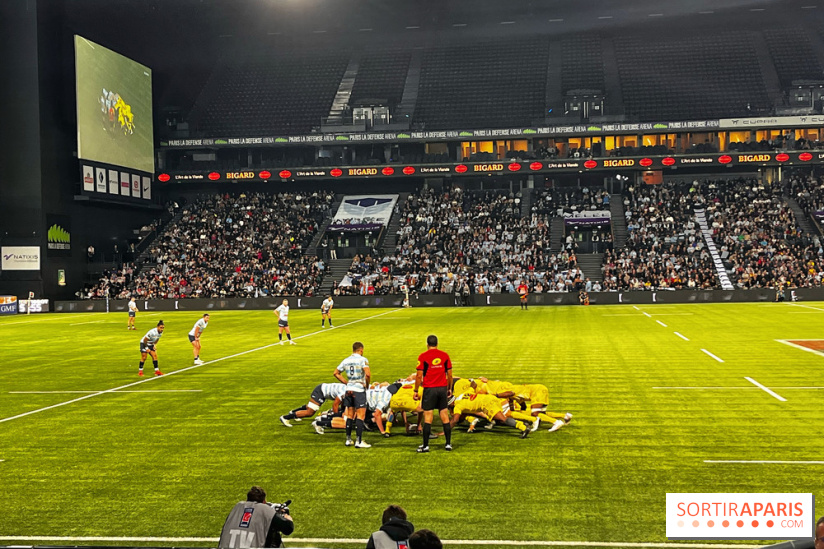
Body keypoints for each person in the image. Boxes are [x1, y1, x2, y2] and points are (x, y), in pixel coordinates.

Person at [218, 486, 293, 549]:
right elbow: (288, 528)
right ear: (264, 501)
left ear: (247, 499)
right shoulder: (265, 509)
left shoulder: (237, 507)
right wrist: (287, 517)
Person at [413, 335, 453, 453]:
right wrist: (449, 388)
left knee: (428, 417)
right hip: (442, 388)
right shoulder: (444, 355)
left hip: (429, 389)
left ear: (427, 344)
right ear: (437, 344)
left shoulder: (423, 356)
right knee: (444, 416)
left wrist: (416, 390)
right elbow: (449, 374)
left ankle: (425, 446)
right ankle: (448, 444)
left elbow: (419, 375)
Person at [333, 341, 372, 448]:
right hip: (359, 390)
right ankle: (359, 441)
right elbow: (367, 374)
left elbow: (335, 373)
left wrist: (346, 382)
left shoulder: (346, 360)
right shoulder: (362, 360)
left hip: (349, 389)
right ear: (361, 350)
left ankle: (348, 439)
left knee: (350, 415)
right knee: (360, 415)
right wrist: (366, 385)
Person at [449, 393, 531, 438]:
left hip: (487, 404)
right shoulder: (463, 395)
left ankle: (523, 427)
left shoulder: (458, 406)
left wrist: (445, 431)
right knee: (499, 420)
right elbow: (473, 384)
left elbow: (455, 420)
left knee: (503, 419)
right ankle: (523, 424)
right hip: (491, 398)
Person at [279, 382, 346, 427]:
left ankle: (293, 412)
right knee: (310, 412)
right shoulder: (344, 392)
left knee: (311, 406)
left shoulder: (349, 390)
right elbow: (335, 405)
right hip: (320, 391)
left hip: (323, 389)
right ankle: (285, 417)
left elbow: (343, 402)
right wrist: (336, 416)